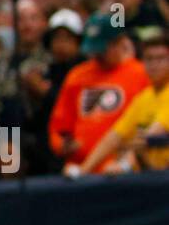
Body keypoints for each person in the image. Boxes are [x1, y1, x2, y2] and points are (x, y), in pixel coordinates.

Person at [50, 11, 149, 173]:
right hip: (80, 170)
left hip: (123, 169)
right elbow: (59, 126)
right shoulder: (77, 75)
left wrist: (128, 160)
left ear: (119, 43)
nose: (97, 56)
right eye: (93, 50)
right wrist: (62, 145)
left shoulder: (139, 74)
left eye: (102, 50)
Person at [78, 29, 169, 174]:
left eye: (161, 58)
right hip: (154, 176)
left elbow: (149, 136)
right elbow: (114, 137)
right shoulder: (144, 97)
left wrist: (124, 165)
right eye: (149, 59)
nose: (154, 65)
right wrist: (83, 170)